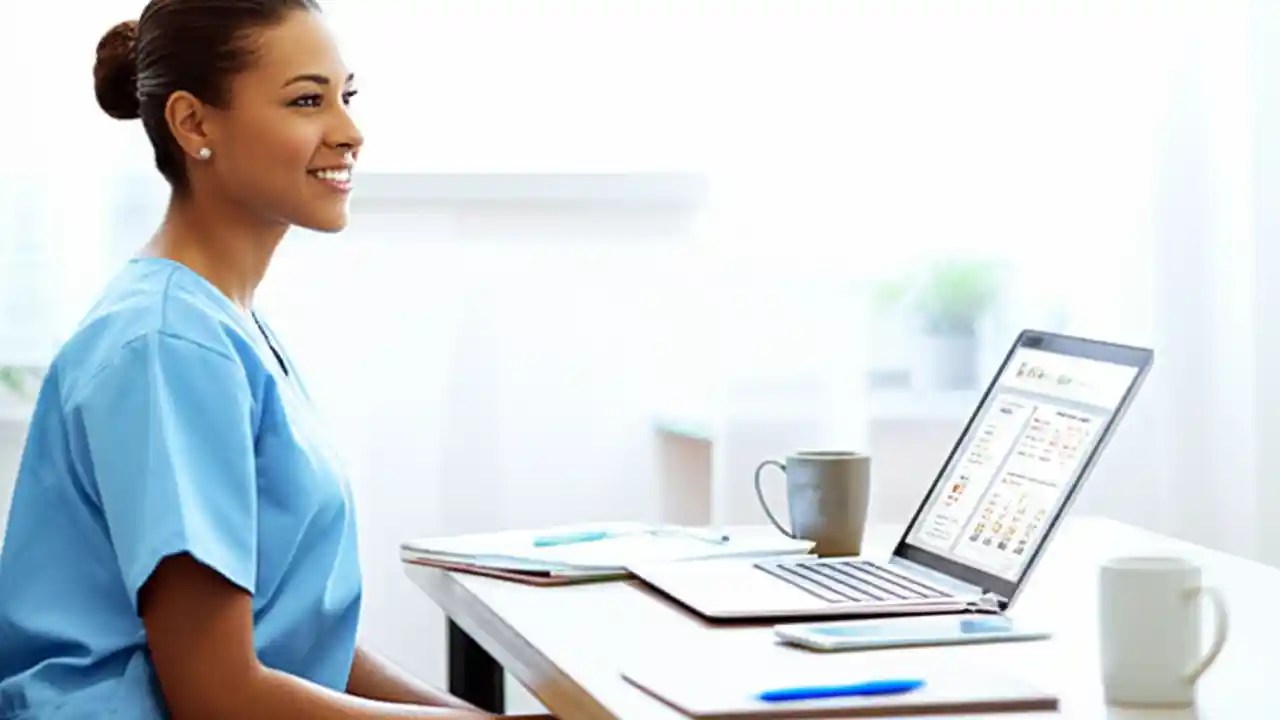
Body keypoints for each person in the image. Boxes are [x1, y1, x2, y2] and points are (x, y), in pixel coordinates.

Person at [0, 2, 530, 718]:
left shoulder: (221, 323)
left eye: (347, 96)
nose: (349, 132)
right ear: (194, 125)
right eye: (307, 100)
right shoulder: (167, 346)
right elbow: (221, 696)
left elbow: (296, 637)